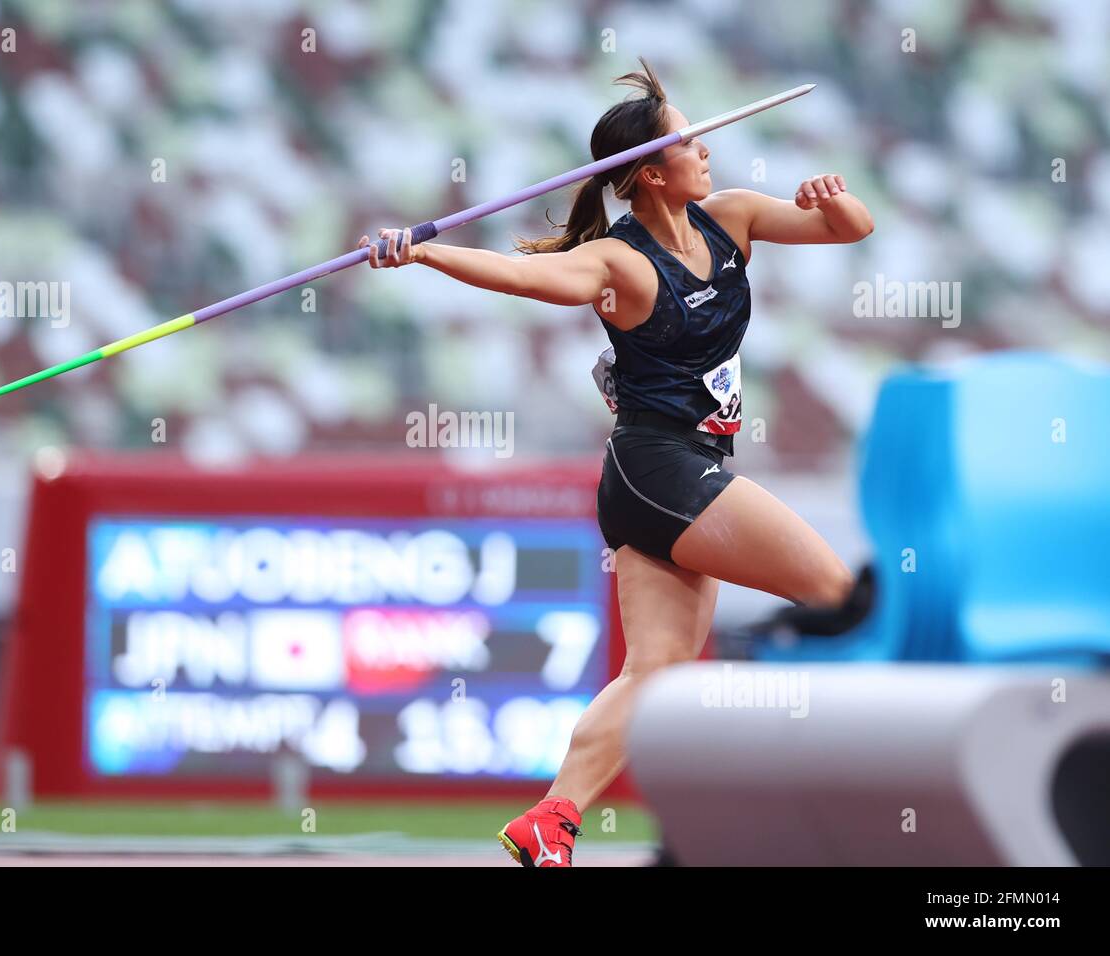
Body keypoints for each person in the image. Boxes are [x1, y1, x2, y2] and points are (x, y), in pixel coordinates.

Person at [359, 58, 874, 867]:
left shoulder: (731, 217)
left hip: (666, 477)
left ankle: (551, 818)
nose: (706, 147)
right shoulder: (620, 263)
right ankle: (812, 799)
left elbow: (850, 231)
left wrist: (829, 198)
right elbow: (525, 277)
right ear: (650, 174)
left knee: (657, 674)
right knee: (842, 596)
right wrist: (423, 255)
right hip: (663, 470)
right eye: (689, 140)